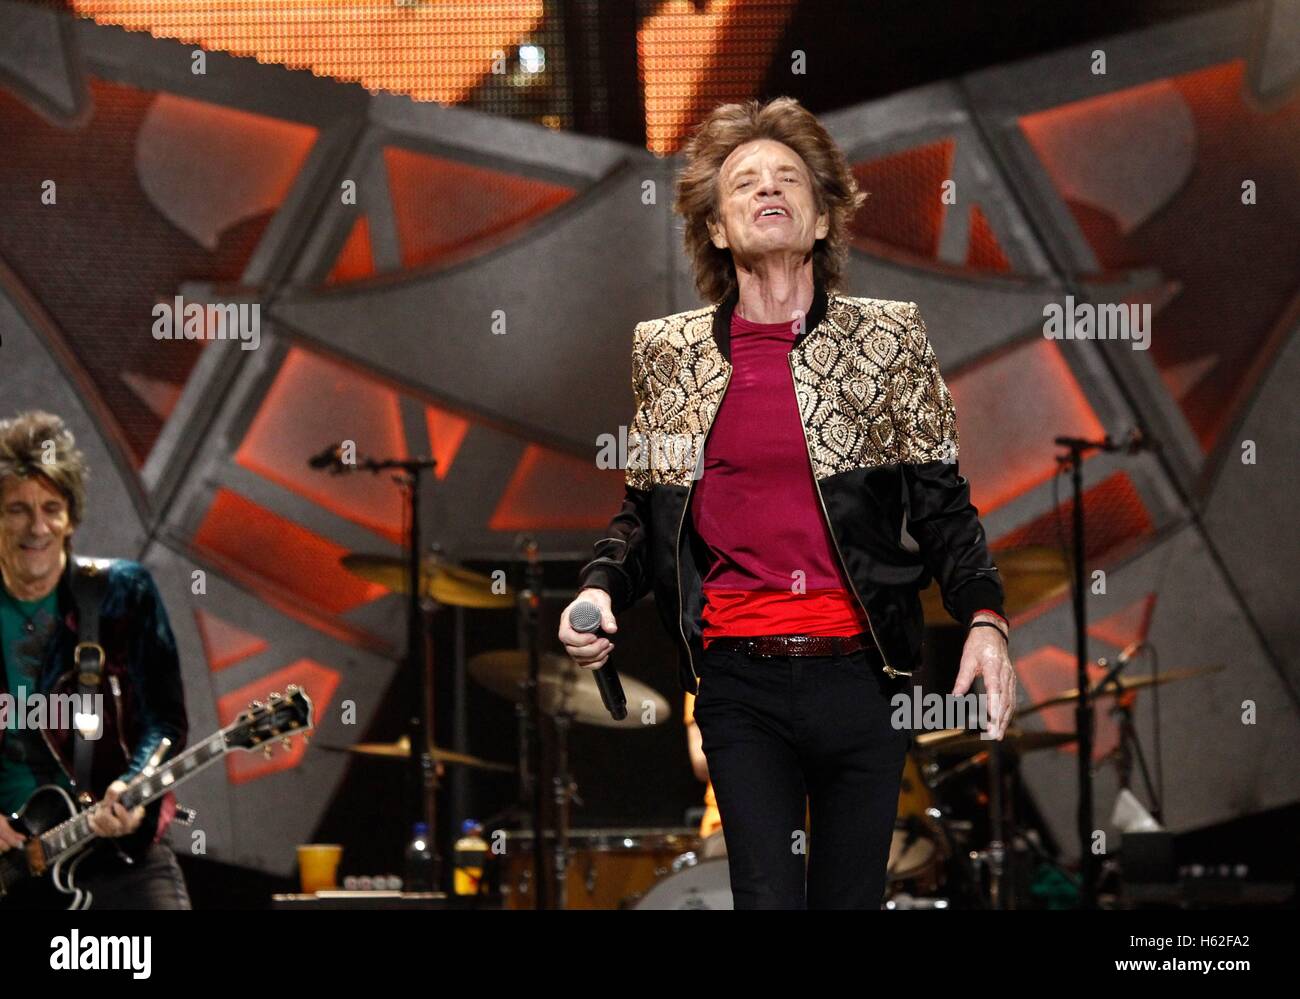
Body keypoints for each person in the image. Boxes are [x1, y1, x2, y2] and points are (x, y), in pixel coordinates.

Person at [560, 96, 1019, 910]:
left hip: (865, 677)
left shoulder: (887, 339)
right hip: (739, 680)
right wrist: (600, 586)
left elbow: (943, 504)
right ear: (717, 229)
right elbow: (647, 514)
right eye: (744, 183)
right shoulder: (670, 355)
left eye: (788, 179)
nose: (768, 189)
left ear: (820, 221)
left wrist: (985, 617)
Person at [0, 410, 190, 909]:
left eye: (52, 507)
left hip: (118, 855)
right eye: (17, 509)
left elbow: (165, 722)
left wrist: (132, 787)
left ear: (71, 518)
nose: (36, 526)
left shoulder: (121, 594)